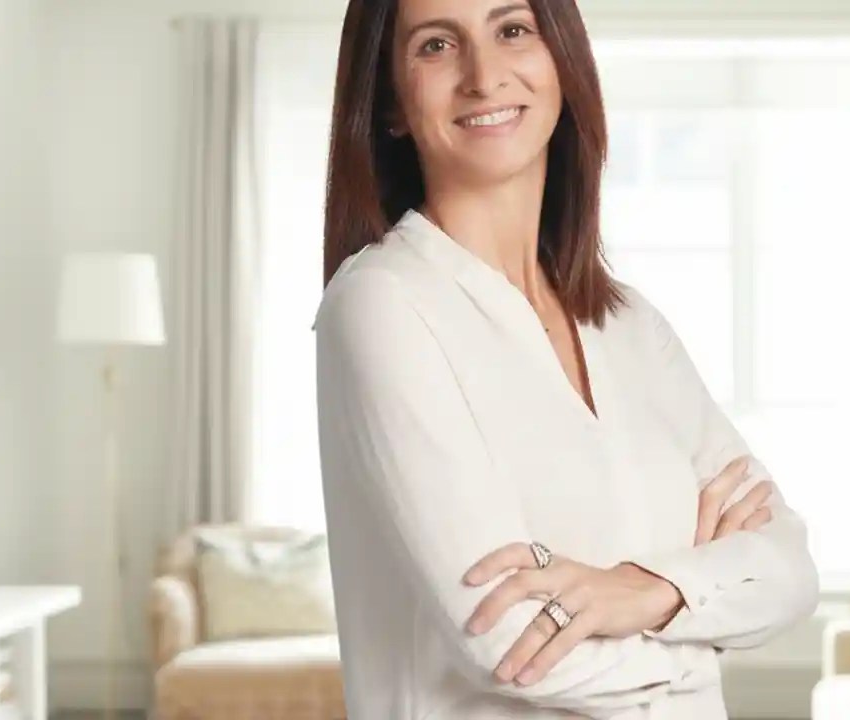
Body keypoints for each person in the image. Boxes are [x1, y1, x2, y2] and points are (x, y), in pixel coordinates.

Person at [311, 1, 820, 717]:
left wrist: (651, 588)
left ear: (562, 63)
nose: (484, 76)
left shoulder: (632, 326)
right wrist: (704, 634)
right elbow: (509, 644)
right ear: (392, 102)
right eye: (436, 46)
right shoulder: (383, 305)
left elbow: (791, 567)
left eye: (513, 30)